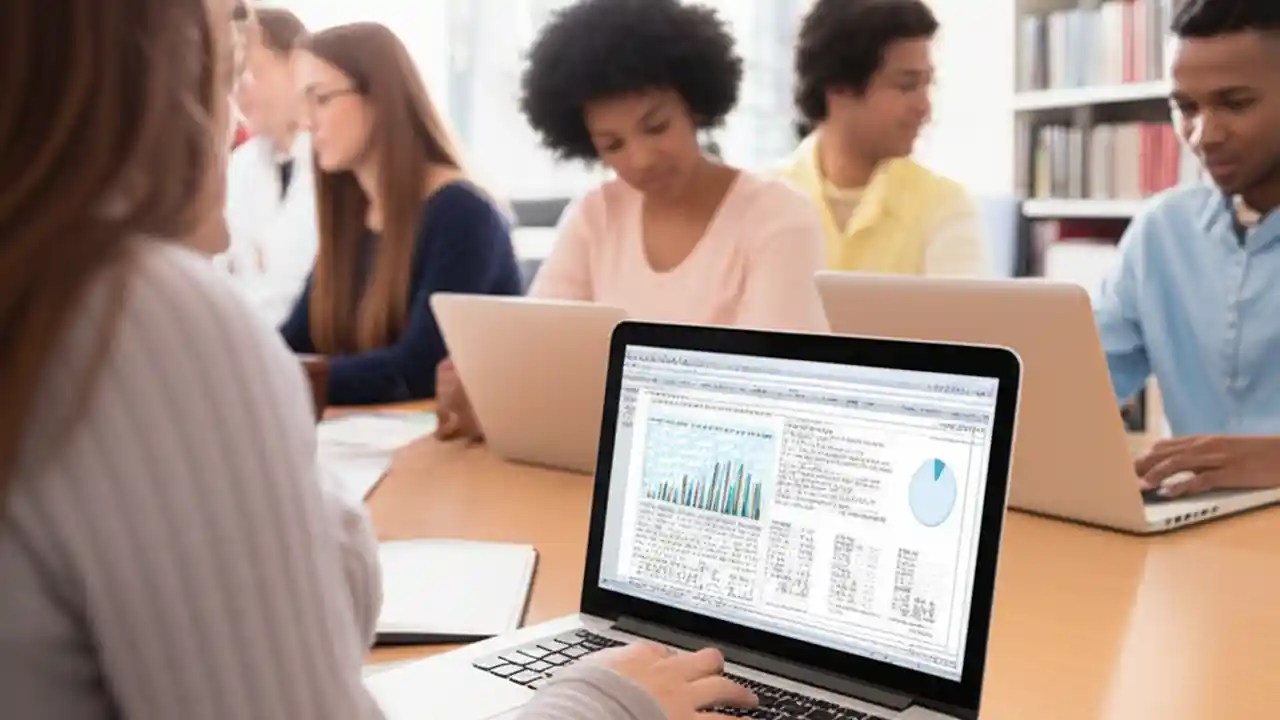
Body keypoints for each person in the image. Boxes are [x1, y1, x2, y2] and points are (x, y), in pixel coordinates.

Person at [0, 1, 757, 718]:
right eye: (224, 76)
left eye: (312, 96)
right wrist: (599, 702)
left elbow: (390, 360)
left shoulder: (94, 311)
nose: (243, 120)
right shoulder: (145, 323)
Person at [435, 0, 829, 440]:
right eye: (612, 145)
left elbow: (773, 390)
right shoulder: (594, 216)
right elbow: (539, 361)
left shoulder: (778, 217)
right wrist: (486, 398)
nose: (640, 159)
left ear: (694, 106)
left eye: (657, 126)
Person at [281, 23, 523, 406]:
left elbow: (419, 368)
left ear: (379, 97)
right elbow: (295, 340)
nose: (307, 122)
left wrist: (283, 377)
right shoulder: (353, 216)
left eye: (321, 99)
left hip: (449, 453)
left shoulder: (463, 212)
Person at [1095, 0, 1280, 499]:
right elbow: (1079, 382)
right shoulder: (1162, 230)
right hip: (1190, 531)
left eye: (1236, 103)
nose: (1203, 135)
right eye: (1186, 107)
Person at [779, 0, 988, 277]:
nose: (925, 108)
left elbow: (961, 321)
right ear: (839, 88)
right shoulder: (762, 202)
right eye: (907, 85)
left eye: (928, 84)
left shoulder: (945, 206)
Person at [220, 8, 319, 327]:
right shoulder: (240, 165)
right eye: (235, 76)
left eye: (252, 72)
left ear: (296, 65)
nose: (240, 89)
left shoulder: (331, 163)